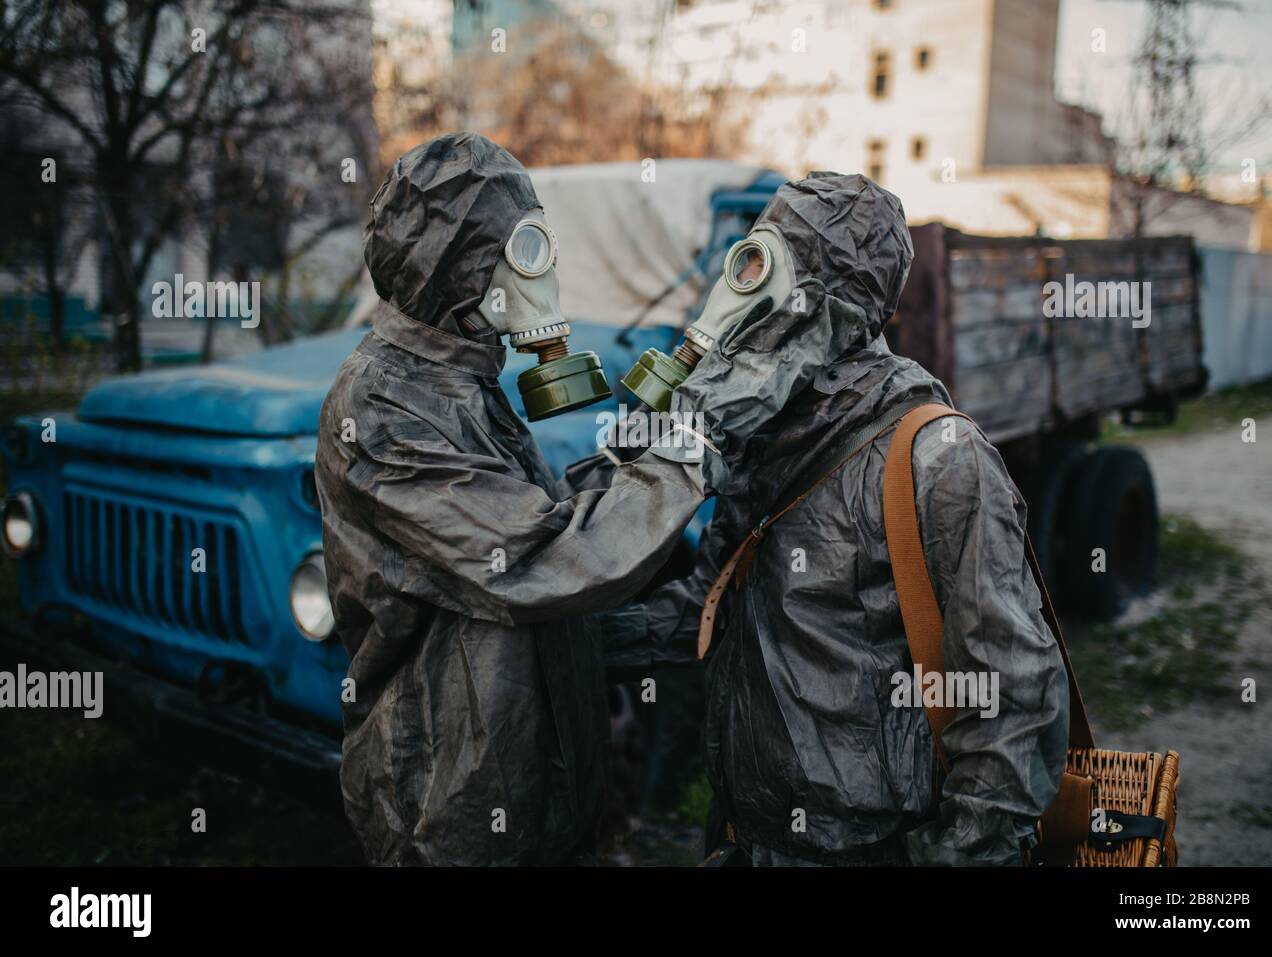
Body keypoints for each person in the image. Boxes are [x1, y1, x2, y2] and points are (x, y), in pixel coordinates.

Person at [315, 133, 824, 865]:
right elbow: (540, 558)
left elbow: (532, 516)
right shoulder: (387, 406)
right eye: (523, 249)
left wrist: (641, 446)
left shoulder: (459, 380)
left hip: (526, 777)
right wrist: (690, 445)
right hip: (446, 800)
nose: (543, 268)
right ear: (456, 266)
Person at [602, 172, 1071, 866]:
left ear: (831, 304)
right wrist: (568, 635)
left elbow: (1013, 692)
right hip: (744, 833)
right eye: (747, 262)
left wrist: (963, 854)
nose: (747, 294)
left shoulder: (937, 456)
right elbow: (707, 610)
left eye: (766, 270)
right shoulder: (761, 431)